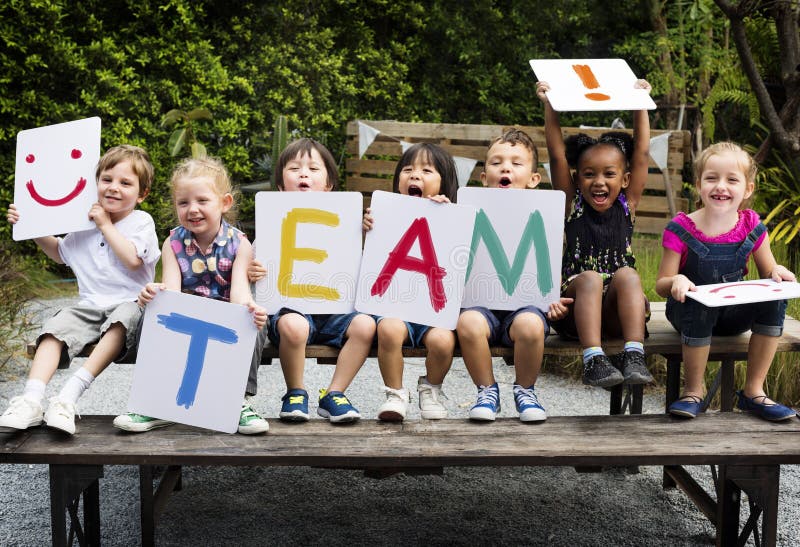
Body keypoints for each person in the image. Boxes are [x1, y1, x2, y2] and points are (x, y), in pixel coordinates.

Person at [0, 145, 160, 435]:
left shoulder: (141, 221)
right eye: (107, 179)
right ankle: (32, 399)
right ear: (95, 183)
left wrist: (104, 224)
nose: (113, 188)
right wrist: (30, 226)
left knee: (121, 318)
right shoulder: (82, 223)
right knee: (55, 328)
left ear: (142, 194)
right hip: (90, 307)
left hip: (132, 305)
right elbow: (61, 253)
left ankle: (68, 397)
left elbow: (133, 260)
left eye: (125, 183)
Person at [113, 156, 269, 434]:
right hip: (185, 319)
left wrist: (250, 310)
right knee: (151, 316)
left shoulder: (240, 244)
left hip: (223, 321)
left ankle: (238, 400)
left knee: (254, 322)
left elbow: (240, 295)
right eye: (183, 203)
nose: (192, 209)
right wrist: (154, 293)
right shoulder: (173, 242)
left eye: (202, 201)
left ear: (225, 203)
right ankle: (154, 402)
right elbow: (172, 294)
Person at [656, 142, 796, 421]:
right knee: (699, 302)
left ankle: (754, 392)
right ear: (699, 184)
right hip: (688, 314)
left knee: (776, 296)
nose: (721, 186)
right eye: (711, 178)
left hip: (732, 318)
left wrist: (778, 272)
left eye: (732, 179)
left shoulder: (752, 227)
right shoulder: (680, 228)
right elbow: (661, 284)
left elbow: (769, 272)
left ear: (747, 189)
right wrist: (677, 280)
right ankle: (694, 390)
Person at [537, 79, 654, 389]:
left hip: (616, 316)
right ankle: (593, 360)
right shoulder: (572, 204)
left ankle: (634, 355)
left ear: (626, 179)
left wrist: (640, 102)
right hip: (575, 316)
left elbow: (641, 152)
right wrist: (550, 105)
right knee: (589, 278)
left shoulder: (628, 205)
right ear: (577, 179)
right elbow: (557, 154)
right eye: (589, 174)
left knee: (627, 274)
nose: (598, 181)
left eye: (609, 174)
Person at [249, 138, 376, 424]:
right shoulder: (272, 222)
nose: (303, 173)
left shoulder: (350, 222)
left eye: (313, 168)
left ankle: (335, 393)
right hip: (292, 309)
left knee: (366, 325)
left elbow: (370, 260)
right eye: (294, 168)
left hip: (337, 311)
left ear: (329, 184)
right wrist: (251, 269)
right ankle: (295, 391)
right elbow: (254, 262)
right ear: (281, 186)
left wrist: (368, 231)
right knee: (293, 326)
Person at [456, 129, 571, 422]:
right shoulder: (464, 211)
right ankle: (487, 391)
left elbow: (547, 269)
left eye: (516, 163)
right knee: (467, 322)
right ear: (483, 177)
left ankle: (525, 390)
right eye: (496, 163)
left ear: (534, 179)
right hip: (479, 306)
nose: (505, 167)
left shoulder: (546, 215)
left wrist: (554, 300)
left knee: (532, 325)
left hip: (526, 307)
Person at [361, 143, 458, 421]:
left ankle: (431, 387)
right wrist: (366, 230)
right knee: (389, 330)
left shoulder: (453, 215)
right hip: (394, 306)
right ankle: (395, 393)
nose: (414, 176)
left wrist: (449, 217)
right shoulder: (382, 215)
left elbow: (458, 257)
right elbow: (370, 259)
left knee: (442, 340)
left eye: (426, 170)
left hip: (433, 309)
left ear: (444, 184)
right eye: (407, 170)